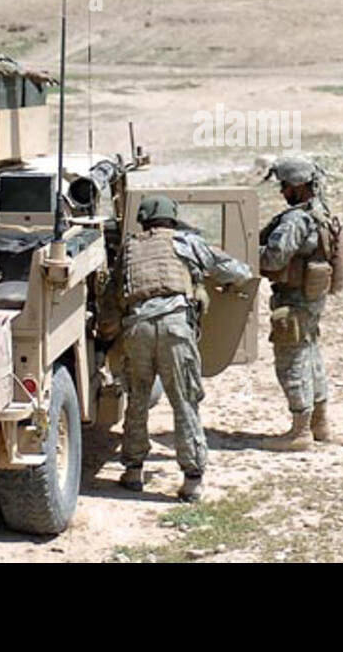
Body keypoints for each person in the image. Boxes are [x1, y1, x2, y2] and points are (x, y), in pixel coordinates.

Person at [113, 195, 252, 502]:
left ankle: (133, 471)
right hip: (176, 327)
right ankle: (192, 480)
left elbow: (114, 296)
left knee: (137, 399)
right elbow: (236, 271)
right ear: (172, 218)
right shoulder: (185, 242)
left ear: (144, 219)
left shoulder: (131, 248)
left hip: (137, 328)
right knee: (184, 401)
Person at [259, 157, 341, 451]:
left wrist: (247, 252)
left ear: (298, 186)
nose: (282, 192)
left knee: (290, 359)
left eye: (284, 186)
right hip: (312, 297)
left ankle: (300, 432)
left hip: (294, 300)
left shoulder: (296, 219)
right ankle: (320, 423)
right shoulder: (321, 212)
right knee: (311, 353)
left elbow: (273, 258)